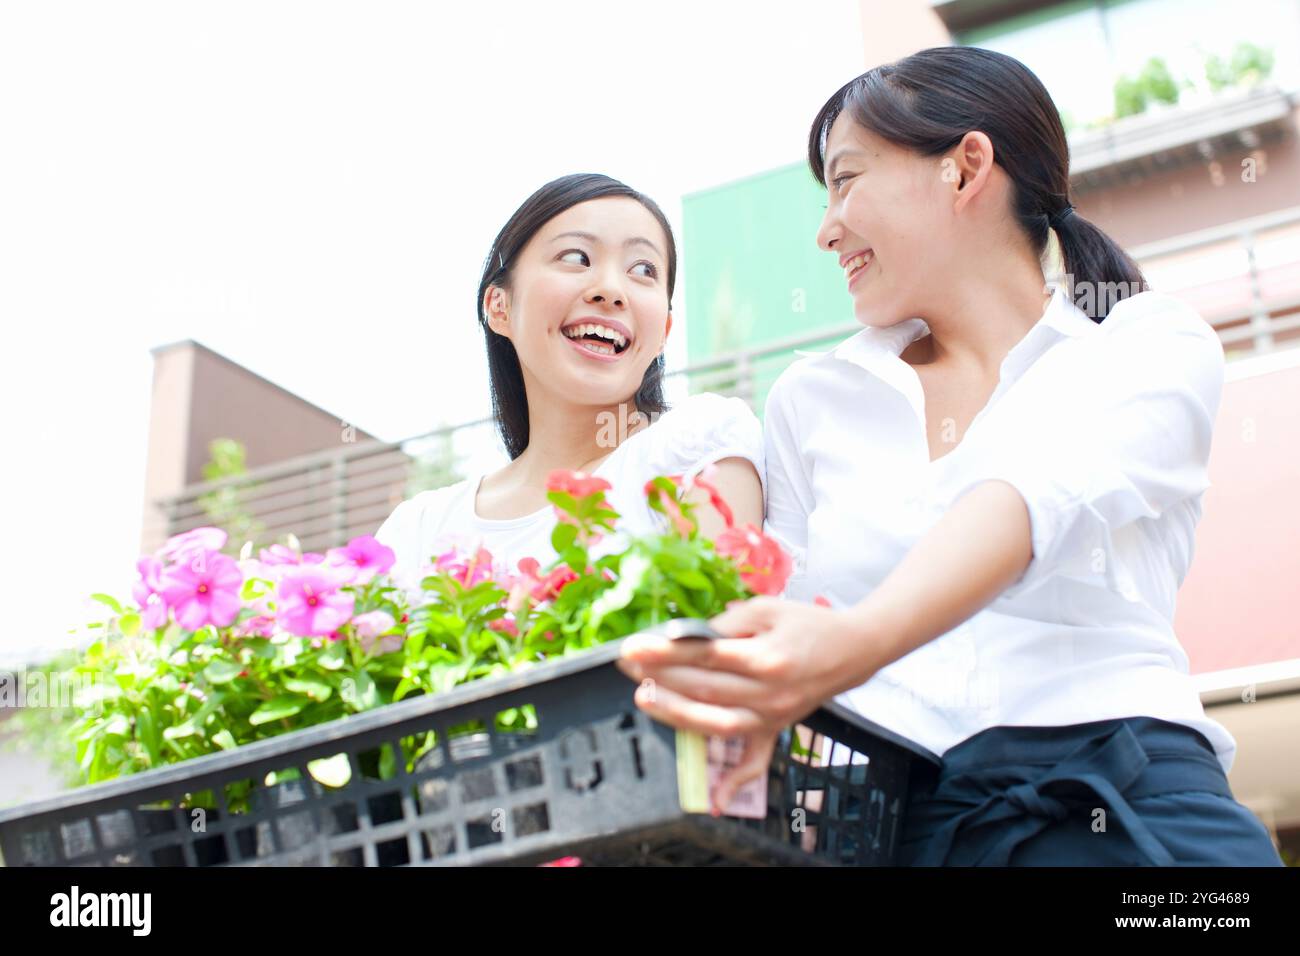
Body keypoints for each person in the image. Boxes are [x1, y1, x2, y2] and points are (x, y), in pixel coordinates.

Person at [616, 48, 1283, 866]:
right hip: (897, 830)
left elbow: (1032, 497)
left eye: (848, 180)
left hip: (1131, 806)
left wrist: (856, 641)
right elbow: (786, 621)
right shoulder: (809, 400)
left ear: (965, 169)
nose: (827, 229)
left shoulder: (1143, 345)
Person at [375, 173, 764, 584]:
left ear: (663, 333)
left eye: (643, 269)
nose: (611, 290)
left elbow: (725, 631)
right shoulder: (417, 530)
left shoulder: (696, 445)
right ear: (499, 307)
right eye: (577, 258)